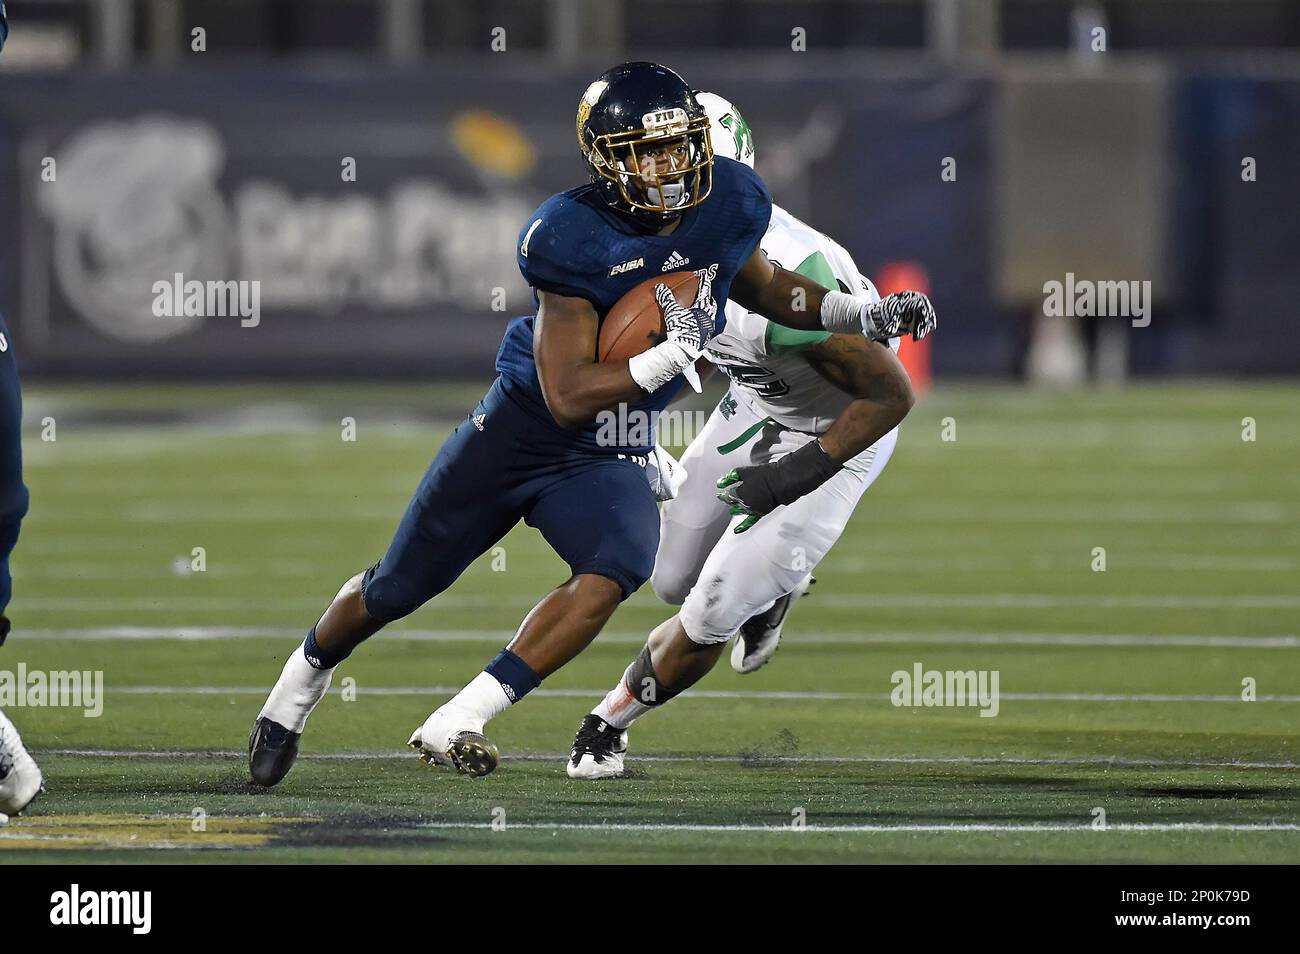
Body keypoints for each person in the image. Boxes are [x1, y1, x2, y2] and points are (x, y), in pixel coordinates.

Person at [249, 62, 934, 784]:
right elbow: (571, 395)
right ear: (612, 161)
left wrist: (865, 314)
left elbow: (780, 294)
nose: (673, 170)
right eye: (652, 152)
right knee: (399, 587)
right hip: (529, 427)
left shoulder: (731, 204)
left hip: (635, 438)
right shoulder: (567, 235)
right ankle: (298, 686)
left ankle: (470, 716)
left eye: (683, 148)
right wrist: (678, 350)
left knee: (623, 568)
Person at [567, 93, 918, 778]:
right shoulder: (659, 250)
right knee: (669, 577)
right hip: (758, 403)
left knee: (712, 608)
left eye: (685, 182)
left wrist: (790, 479)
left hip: (840, 426)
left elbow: (888, 396)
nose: (662, 196)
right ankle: (776, 586)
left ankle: (606, 725)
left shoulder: (789, 280)